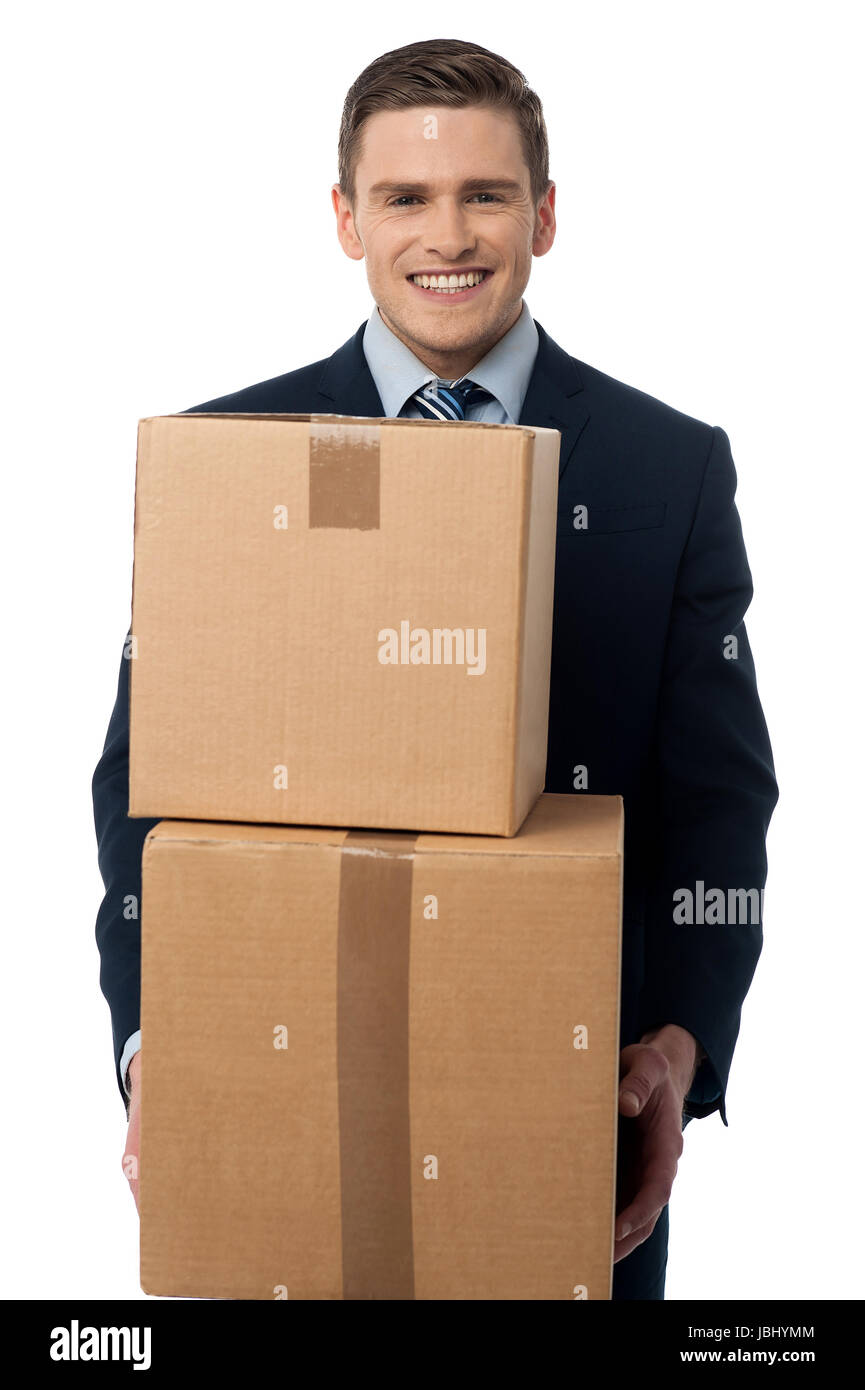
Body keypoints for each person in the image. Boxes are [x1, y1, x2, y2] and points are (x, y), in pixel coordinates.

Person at [92, 37, 779, 1300]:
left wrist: (680, 1050)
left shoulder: (663, 467)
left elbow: (719, 804)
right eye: (405, 197)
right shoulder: (230, 458)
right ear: (347, 219)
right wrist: (156, 1047)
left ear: (546, 214)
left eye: (486, 193)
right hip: (286, 1116)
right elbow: (144, 786)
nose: (446, 232)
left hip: (558, 1115)